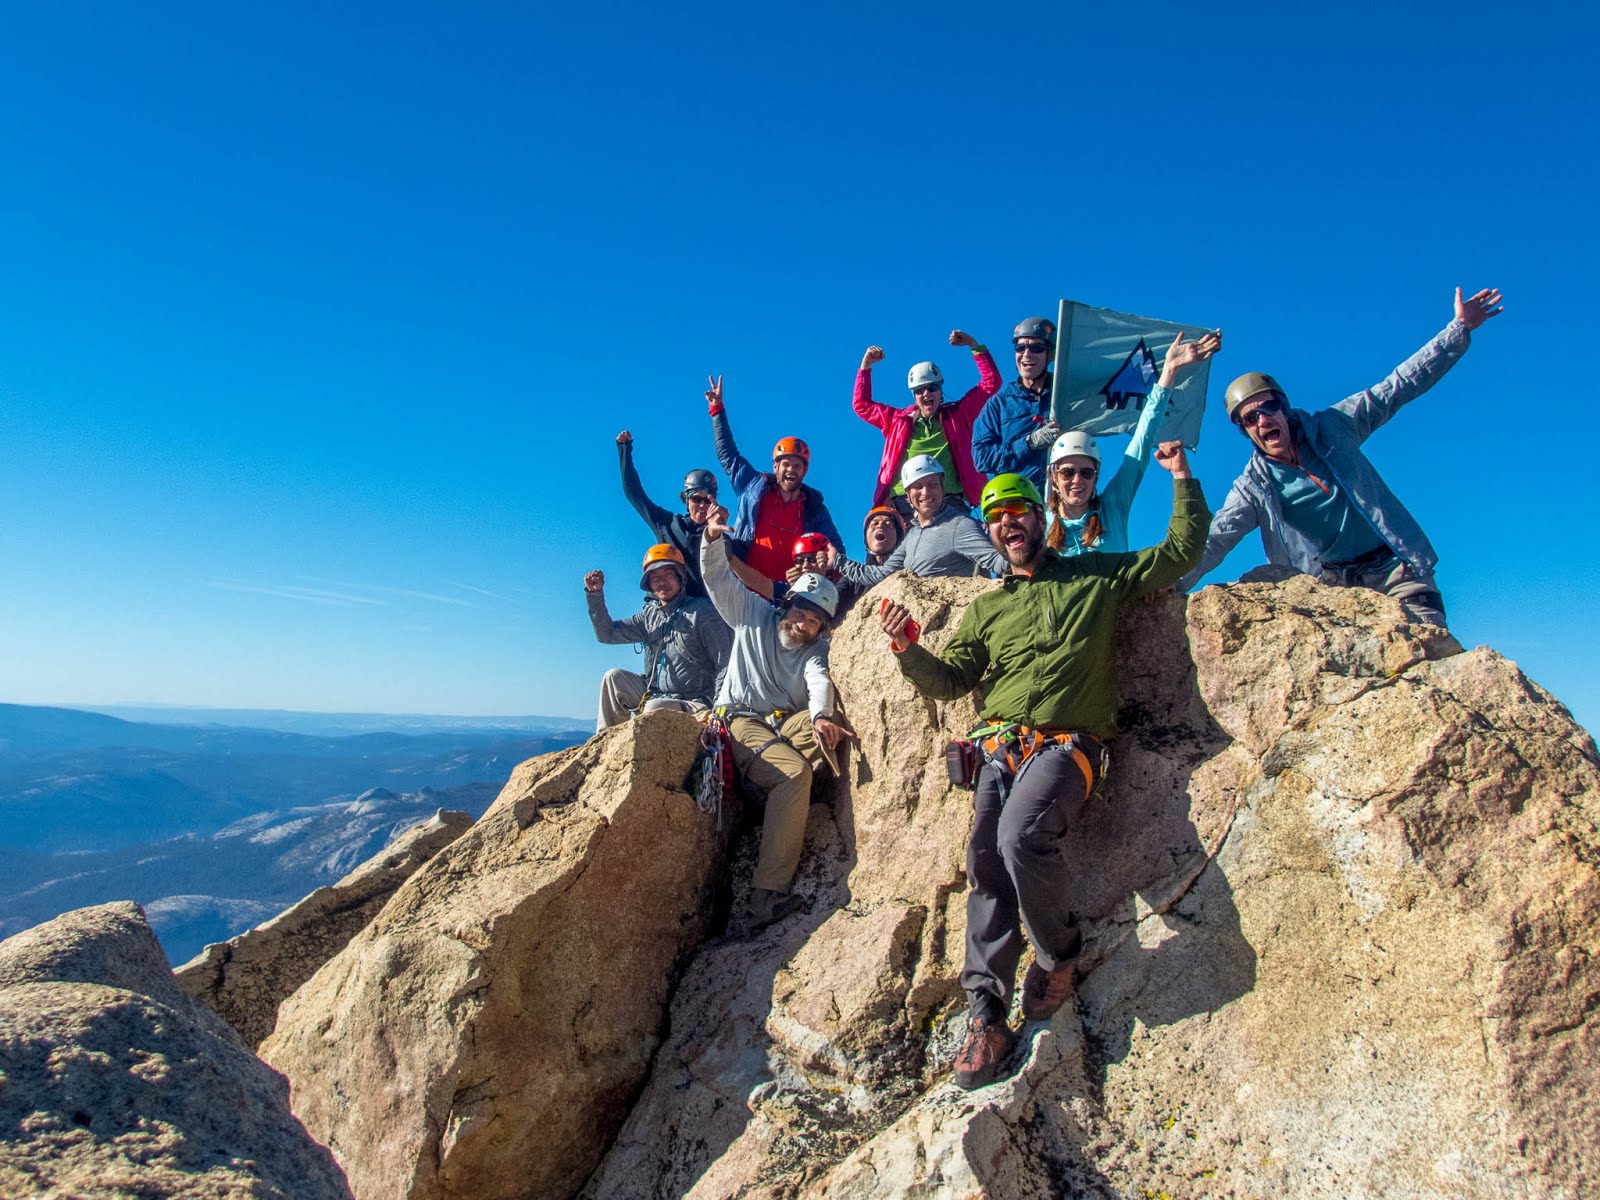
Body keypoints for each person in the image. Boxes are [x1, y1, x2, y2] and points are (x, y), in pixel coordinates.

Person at [878, 451, 1209, 1089]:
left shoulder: (1094, 578)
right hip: (999, 749)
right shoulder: (986, 609)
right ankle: (987, 1015)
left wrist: (1182, 480)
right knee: (984, 864)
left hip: (1070, 748)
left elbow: (1176, 553)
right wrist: (906, 648)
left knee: (1017, 837)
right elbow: (951, 682)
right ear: (992, 532)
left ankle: (1059, 958)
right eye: (996, 517)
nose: (1008, 525)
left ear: (1040, 516)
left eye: (1018, 513)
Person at [1178, 287, 1504, 627]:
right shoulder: (1254, 487)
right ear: (1245, 432)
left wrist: (1458, 329)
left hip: (1395, 569)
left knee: (1432, 647)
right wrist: (1164, 585)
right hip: (1333, 591)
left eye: (1268, 407)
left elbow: (1399, 385)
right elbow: (1215, 540)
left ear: (1284, 409)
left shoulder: (1335, 427)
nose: (1262, 420)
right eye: (1249, 419)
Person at [701, 509, 851, 930]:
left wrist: (822, 716)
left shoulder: (813, 650)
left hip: (780, 722)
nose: (803, 624)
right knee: (793, 775)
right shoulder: (752, 614)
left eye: (814, 621)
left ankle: (779, 799)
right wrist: (711, 542)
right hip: (738, 720)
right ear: (787, 604)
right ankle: (765, 898)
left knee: (834, 721)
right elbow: (717, 580)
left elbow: (819, 679)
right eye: (801, 612)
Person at [1046, 330, 1221, 555]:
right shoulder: (1041, 523)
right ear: (1054, 475)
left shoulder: (1113, 507)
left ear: (1096, 475)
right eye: (1068, 473)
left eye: (1086, 472)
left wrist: (1169, 369)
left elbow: (1143, 438)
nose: (1077, 480)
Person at [707, 375, 843, 586]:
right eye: (785, 464)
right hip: (744, 589)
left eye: (797, 466)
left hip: (789, 597)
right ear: (775, 467)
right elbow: (728, 454)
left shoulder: (814, 509)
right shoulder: (752, 486)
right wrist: (717, 411)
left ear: (805, 471)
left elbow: (835, 549)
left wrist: (823, 568)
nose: (791, 470)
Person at [585, 544, 732, 735]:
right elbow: (607, 634)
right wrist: (595, 595)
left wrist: (720, 709)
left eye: (668, 574)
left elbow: (724, 662)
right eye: (655, 577)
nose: (661, 582)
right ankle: (605, 742)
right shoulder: (650, 616)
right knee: (613, 678)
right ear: (650, 585)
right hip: (654, 693)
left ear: (681, 576)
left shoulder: (702, 611)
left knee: (655, 707)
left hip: (696, 702)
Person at [853, 330, 1002, 518]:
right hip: (904, 504)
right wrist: (866, 366)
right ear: (914, 396)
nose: (926, 394)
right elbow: (862, 405)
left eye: (932, 388)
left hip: (950, 502)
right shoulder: (898, 420)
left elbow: (991, 383)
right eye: (919, 390)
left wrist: (973, 345)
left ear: (940, 390)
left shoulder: (958, 415)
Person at [826, 455, 1005, 591]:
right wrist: (838, 561)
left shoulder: (960, 525)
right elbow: (881, 575)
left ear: (942, 487)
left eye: (933, 484)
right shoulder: (912, 535)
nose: (926, 493)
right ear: (908, 494)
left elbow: (997, 562)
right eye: (918, 486)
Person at [616, 429, 719, 597]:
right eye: (695, 499)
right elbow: (634, 494)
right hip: (670, 607)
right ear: (686, 500)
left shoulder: (720, 535)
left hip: (705, 614)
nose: (702, 505)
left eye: (707, 500)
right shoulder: (667, 524)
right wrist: (624, 450)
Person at [971, 316, 1060, 495]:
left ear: (1050, 355)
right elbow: (982, 458)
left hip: (1058, 506)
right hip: (1016, 504)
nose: (1027, 354)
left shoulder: (1063, 398)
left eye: (1036, 348)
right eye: (1020, 348)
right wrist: (1029, 443)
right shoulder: (999, 405)